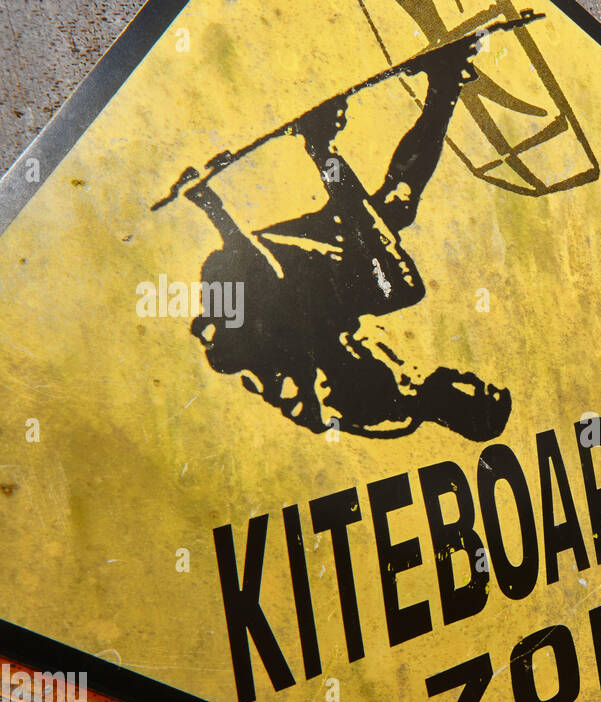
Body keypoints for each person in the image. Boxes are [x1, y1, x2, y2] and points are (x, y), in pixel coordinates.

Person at [183, 33, 511, 441]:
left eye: (475, 387)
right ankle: (444, 83)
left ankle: (319, 142)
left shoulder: (382, 411)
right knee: (396, 207)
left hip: (247, 298)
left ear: (460, 407)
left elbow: (292, 375)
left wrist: (223, 221)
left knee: (397, 287)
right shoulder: (404, 393)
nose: (469, 374)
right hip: (284, 285)